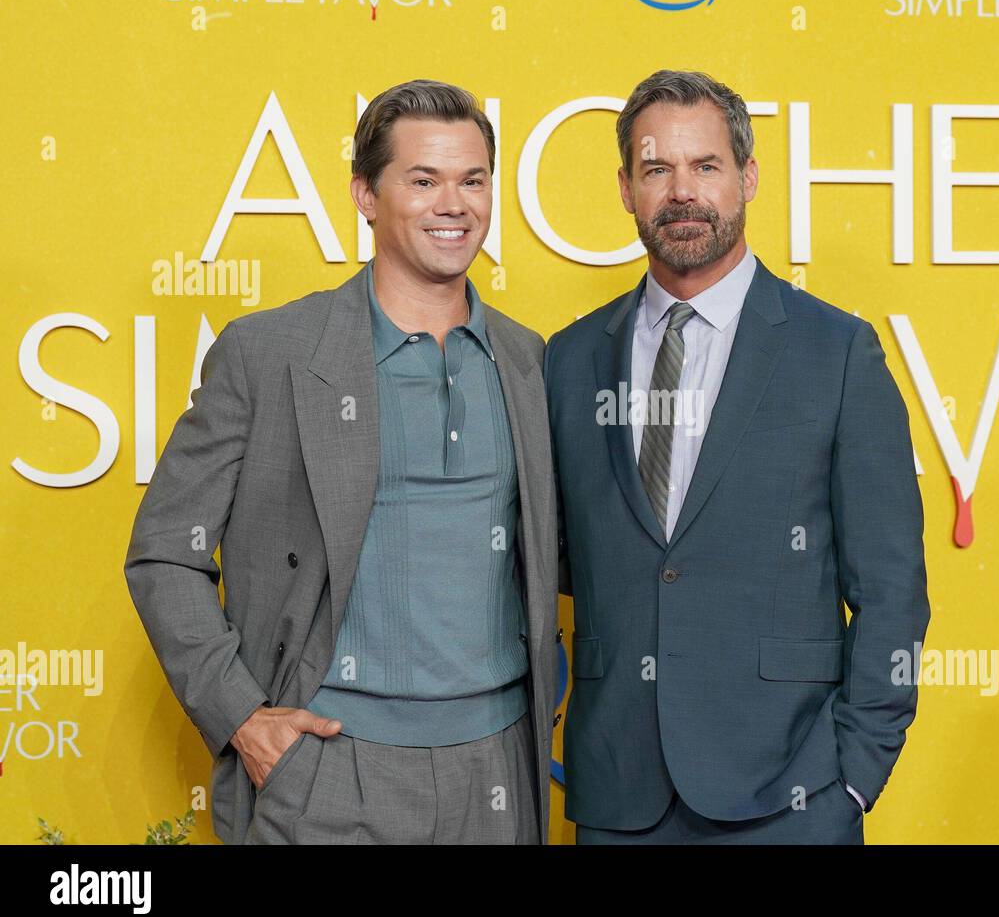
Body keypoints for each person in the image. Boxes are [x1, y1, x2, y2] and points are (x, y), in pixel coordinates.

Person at [125, 79, 557, 844]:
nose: (453, 204)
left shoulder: (529, 361)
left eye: (472, 179)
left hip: (495, 772)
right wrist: (243, 719)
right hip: (325, 768)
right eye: (422, 180)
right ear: (364, 193)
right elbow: (165, 552)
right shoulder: (271, 354)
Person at [544, 69, 931, 843]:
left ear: (748, 178)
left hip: (793, 795)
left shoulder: (837, 353)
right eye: (657, 169)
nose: (682, 191)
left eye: (706, 166)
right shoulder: (569, 358)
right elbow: (547, 566)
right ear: (625, 187)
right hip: (621, 797)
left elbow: (891, 587)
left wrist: (854, 776)